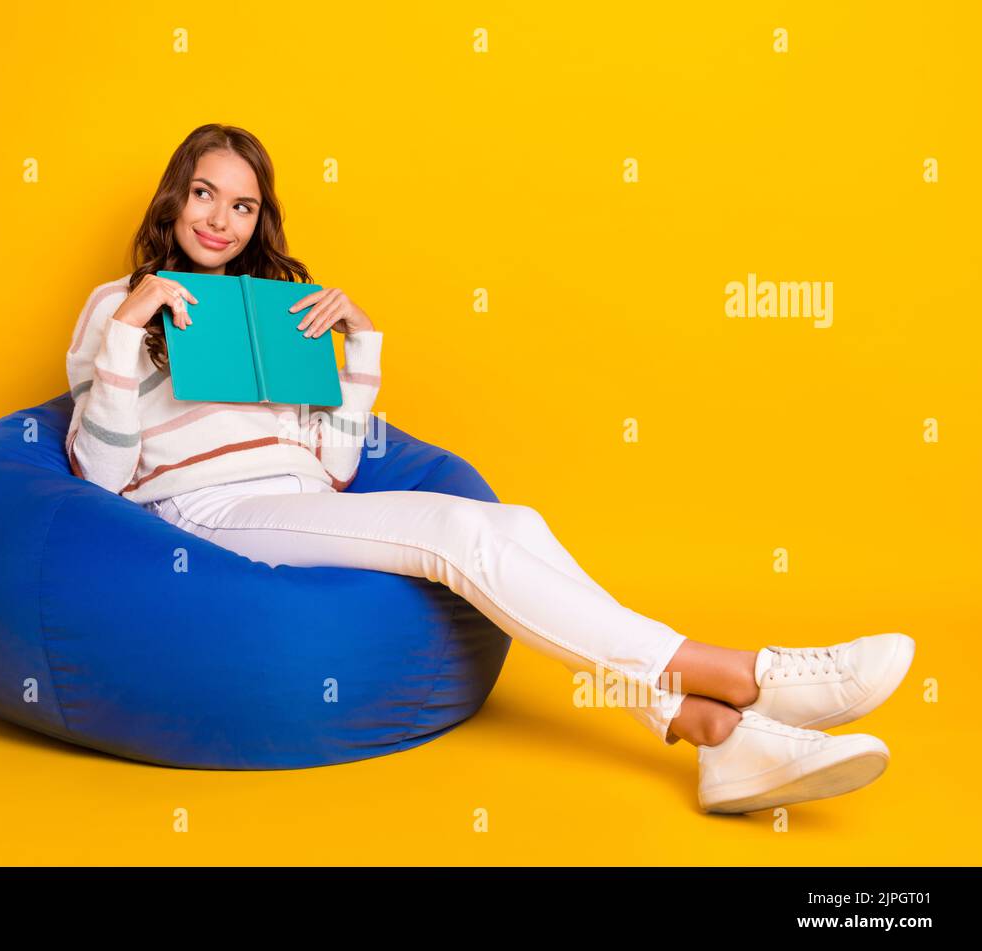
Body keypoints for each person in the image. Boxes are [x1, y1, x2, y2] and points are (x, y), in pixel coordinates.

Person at [64, 123, 916, 814]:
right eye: (206, 194)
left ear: (261, 220)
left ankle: (719, 738)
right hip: (208, 514)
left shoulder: (273, 308)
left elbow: (337, 462)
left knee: (515, 524)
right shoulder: (117, 304)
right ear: (175, 196)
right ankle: (747, 674)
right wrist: (120, 336)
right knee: (464, 529)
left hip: (298, 498)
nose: (221, 220)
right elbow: (97, 479)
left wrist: (357, 345)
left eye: (244, 206)